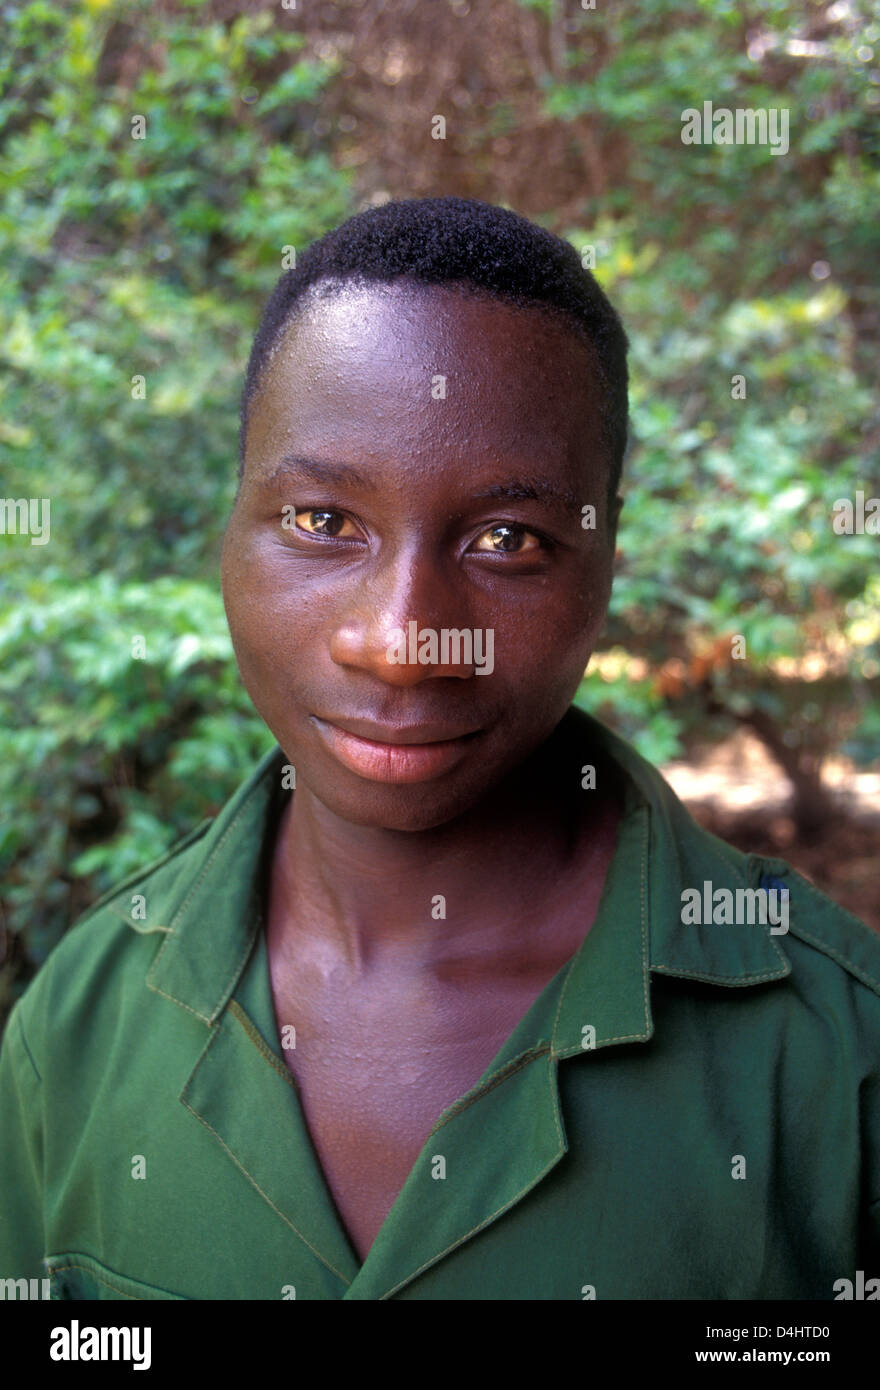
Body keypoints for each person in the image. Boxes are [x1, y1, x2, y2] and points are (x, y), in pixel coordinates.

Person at [1, 197, 877, 1302]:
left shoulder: (839, 1056)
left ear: (604, 559)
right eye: (324, 521)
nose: (405, 642)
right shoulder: (79, 1026)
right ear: (230, 527)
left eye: (508, 539)